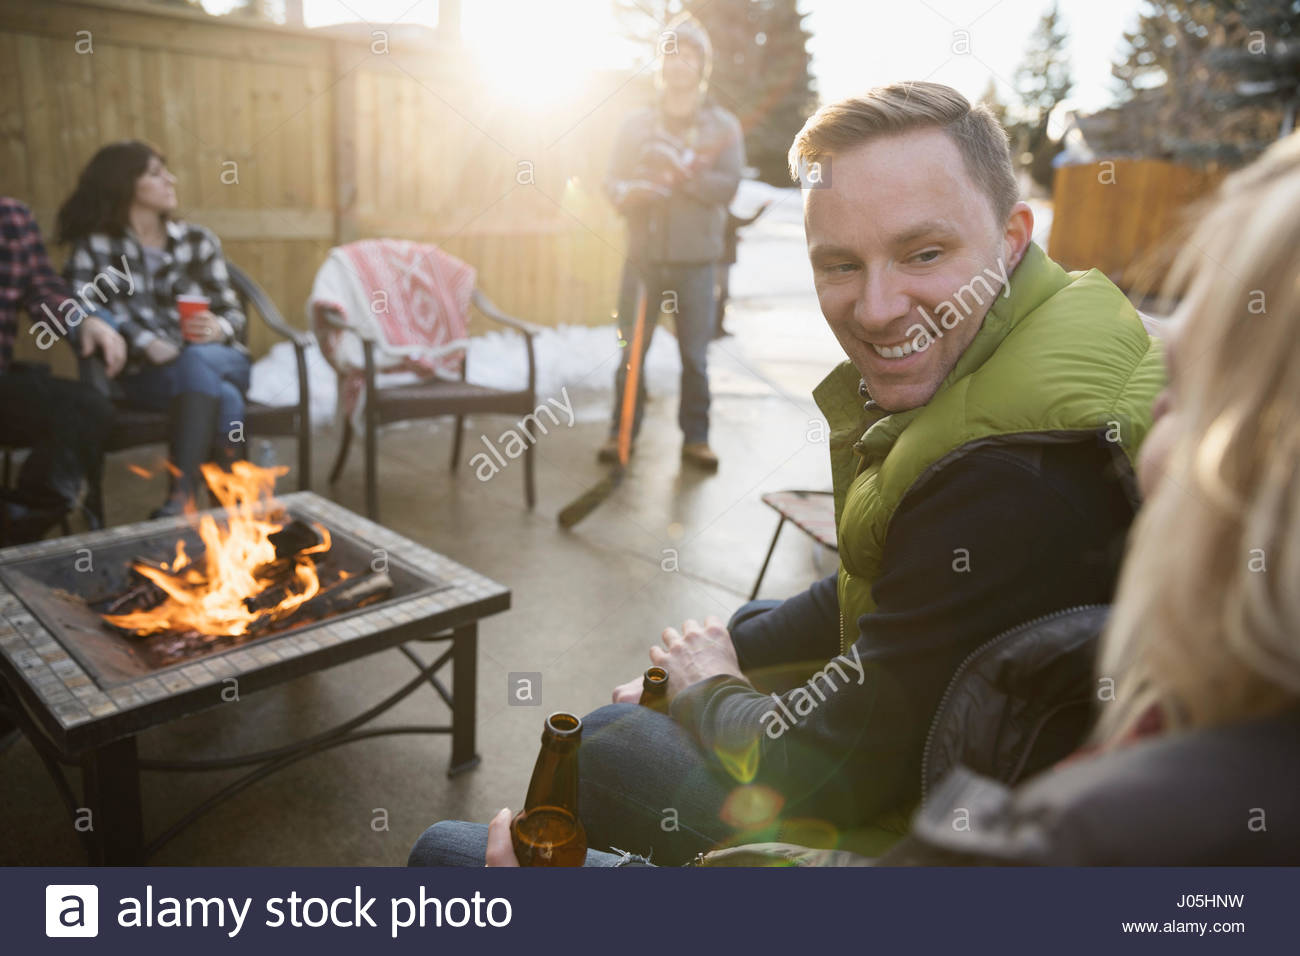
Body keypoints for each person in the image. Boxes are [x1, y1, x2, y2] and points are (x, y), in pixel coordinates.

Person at [411, 80, 1164, 866]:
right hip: (967, 768)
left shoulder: (1010, 478)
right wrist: (729, 645)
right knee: (614, 733)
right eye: (840, 264)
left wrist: (708, 688)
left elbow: (820, 775)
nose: (875, 309)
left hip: (934, 833)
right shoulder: (1040, 344)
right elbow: (880, 585)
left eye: (924, 253)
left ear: (1011, 237)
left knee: (456, 848)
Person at [58, 140, 250, 516]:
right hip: (150, 375)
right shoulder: (96, 247)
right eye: (155, 173)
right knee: (225, 398)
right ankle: (229, 514)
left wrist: (219, 326)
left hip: (221, 357)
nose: (170, 179)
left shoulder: (197, 240)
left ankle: (179, 504)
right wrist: (146, 343)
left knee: (198, 360)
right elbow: (80, 306)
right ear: (125, 184)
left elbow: (233, 312)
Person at [596, 14, 744, 474]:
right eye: (671, 54)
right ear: (662, 65)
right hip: (642, 260)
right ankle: (621, 434)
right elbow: (611, 180)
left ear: (703, 65)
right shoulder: (636, 123)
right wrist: (629, 192)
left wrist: (683, 174)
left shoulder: (723, 126)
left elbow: (728, 184)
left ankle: (696, 440)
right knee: (631, 352)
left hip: (696, 263)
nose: (679, 63)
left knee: (694, 357)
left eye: (689, 54)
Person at [0, 197, 121, 544]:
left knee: (86, 407)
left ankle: (21, 520)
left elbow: (42, 288)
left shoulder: (12, 217)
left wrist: (82, 321)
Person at [711, 200, 771, 339]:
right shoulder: (724, 211)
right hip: (721, 260)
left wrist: (734, 237)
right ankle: (716, 328)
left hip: (719, 259)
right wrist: (762, 208)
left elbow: (725, 231)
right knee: (722, 295)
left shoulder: (718, 211)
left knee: (720, 295)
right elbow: (746, 222)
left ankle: (716, 328)